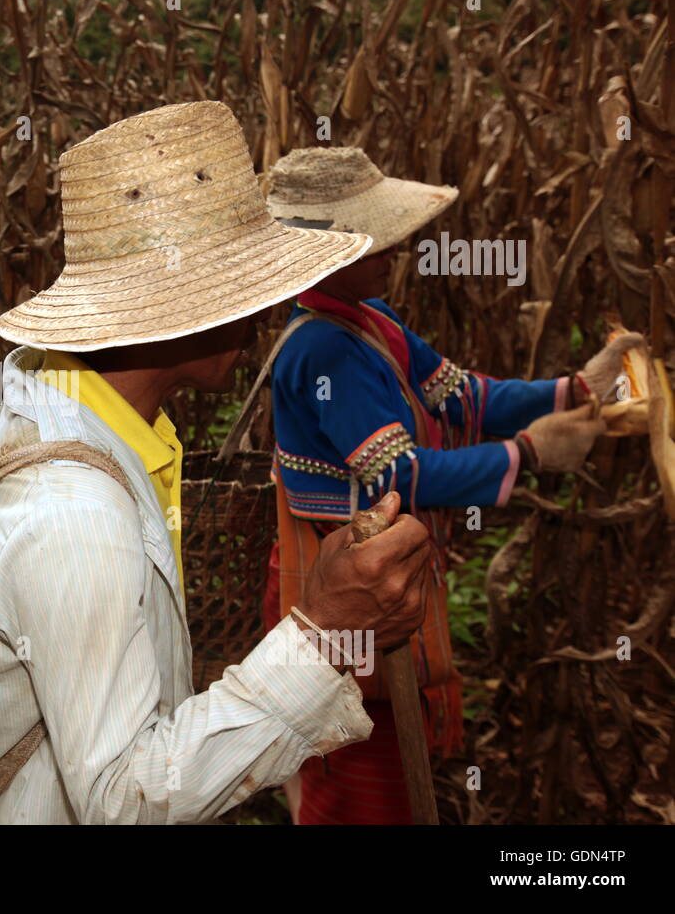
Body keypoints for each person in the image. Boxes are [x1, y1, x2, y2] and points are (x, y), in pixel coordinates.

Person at [0, 101, 434, 824]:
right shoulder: (71, 517)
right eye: (247, 291)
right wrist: (323, 633)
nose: (267, 314)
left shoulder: (111, 427)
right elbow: (122, 800)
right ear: (176, 312)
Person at [262, 145, 640, 824]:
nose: (399, 252)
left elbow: (465, 395)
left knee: (364, 776)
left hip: (365, 589)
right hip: (340, 595)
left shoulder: (370, 323)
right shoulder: (322, 348)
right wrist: (527, 455)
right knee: (355, 784)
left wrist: (579, 386)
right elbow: (399, 475)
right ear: (333, 254)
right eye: (381, 241)